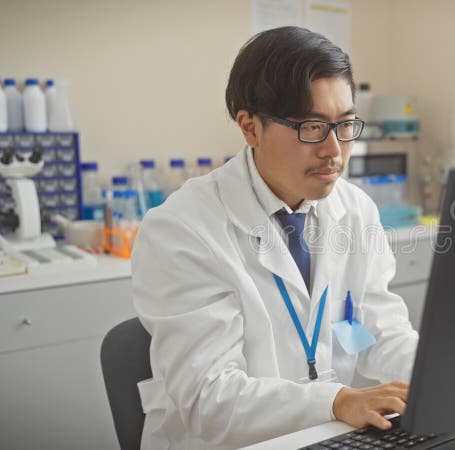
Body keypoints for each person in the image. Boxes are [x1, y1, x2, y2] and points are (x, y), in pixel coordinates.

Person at [132, 26, 418, 450]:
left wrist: (443, 375)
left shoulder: (355, 210)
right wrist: (336, 401)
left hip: (324, 437)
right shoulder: (180, 230)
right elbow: (209, 399)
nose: (334, 150)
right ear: (250, 127)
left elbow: (377, 329)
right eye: (311, 127)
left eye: (344, 125)